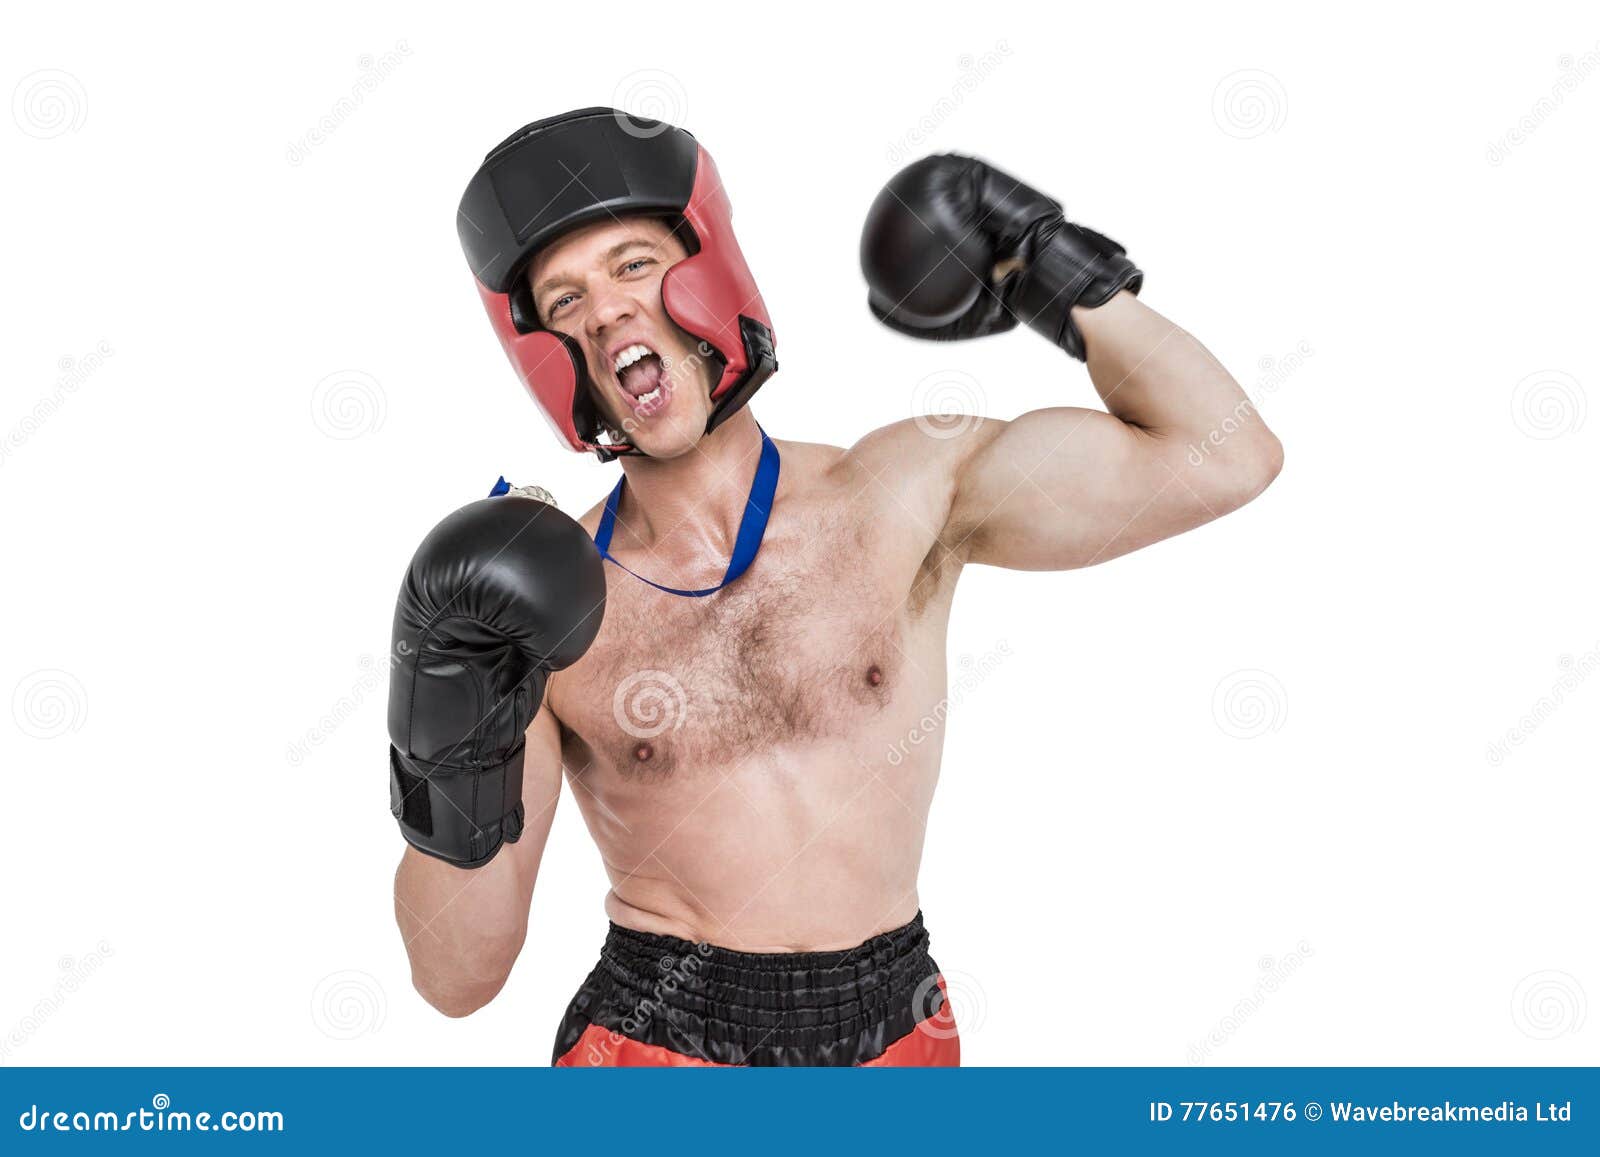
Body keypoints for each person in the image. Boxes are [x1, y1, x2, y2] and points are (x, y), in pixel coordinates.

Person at [388, 107, 1283, 1066]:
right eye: (565, 300)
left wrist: (1044, 265)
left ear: (708, 272)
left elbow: (1226, 456)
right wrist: (442, 711)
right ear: (544, 351)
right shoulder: (541, 605)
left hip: (899, 1030)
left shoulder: (897, 494)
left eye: (633, 264)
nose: (604, 311)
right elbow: (457, 979)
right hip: (653, 1045)